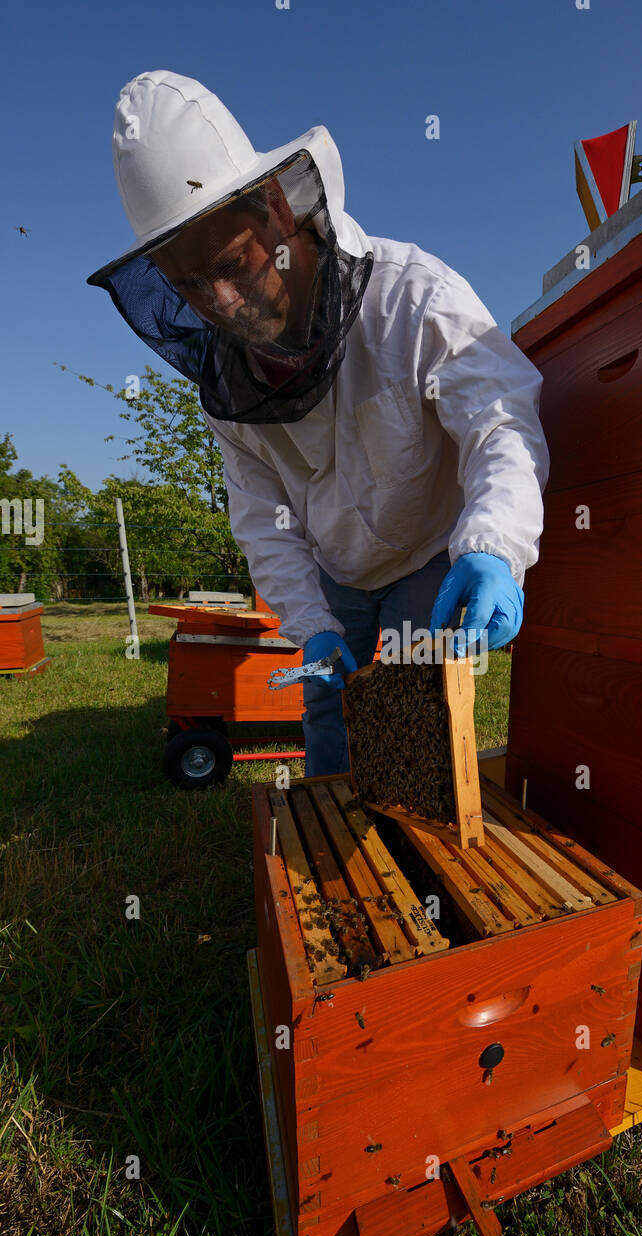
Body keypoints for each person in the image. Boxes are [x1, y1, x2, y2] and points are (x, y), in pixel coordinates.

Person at [88, 71, 550, 775]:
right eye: (188, 286)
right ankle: (333, 866)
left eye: (232, 265)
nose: (221, 303)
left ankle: (407, 861)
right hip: (336, 570)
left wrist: (493, 545)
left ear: (275, 209)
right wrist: (309, 625)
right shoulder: (229, 384)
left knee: (409, 717)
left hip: (428, 552)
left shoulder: (413, 297)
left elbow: (498, 422)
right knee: (326, 712)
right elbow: (259, 514)